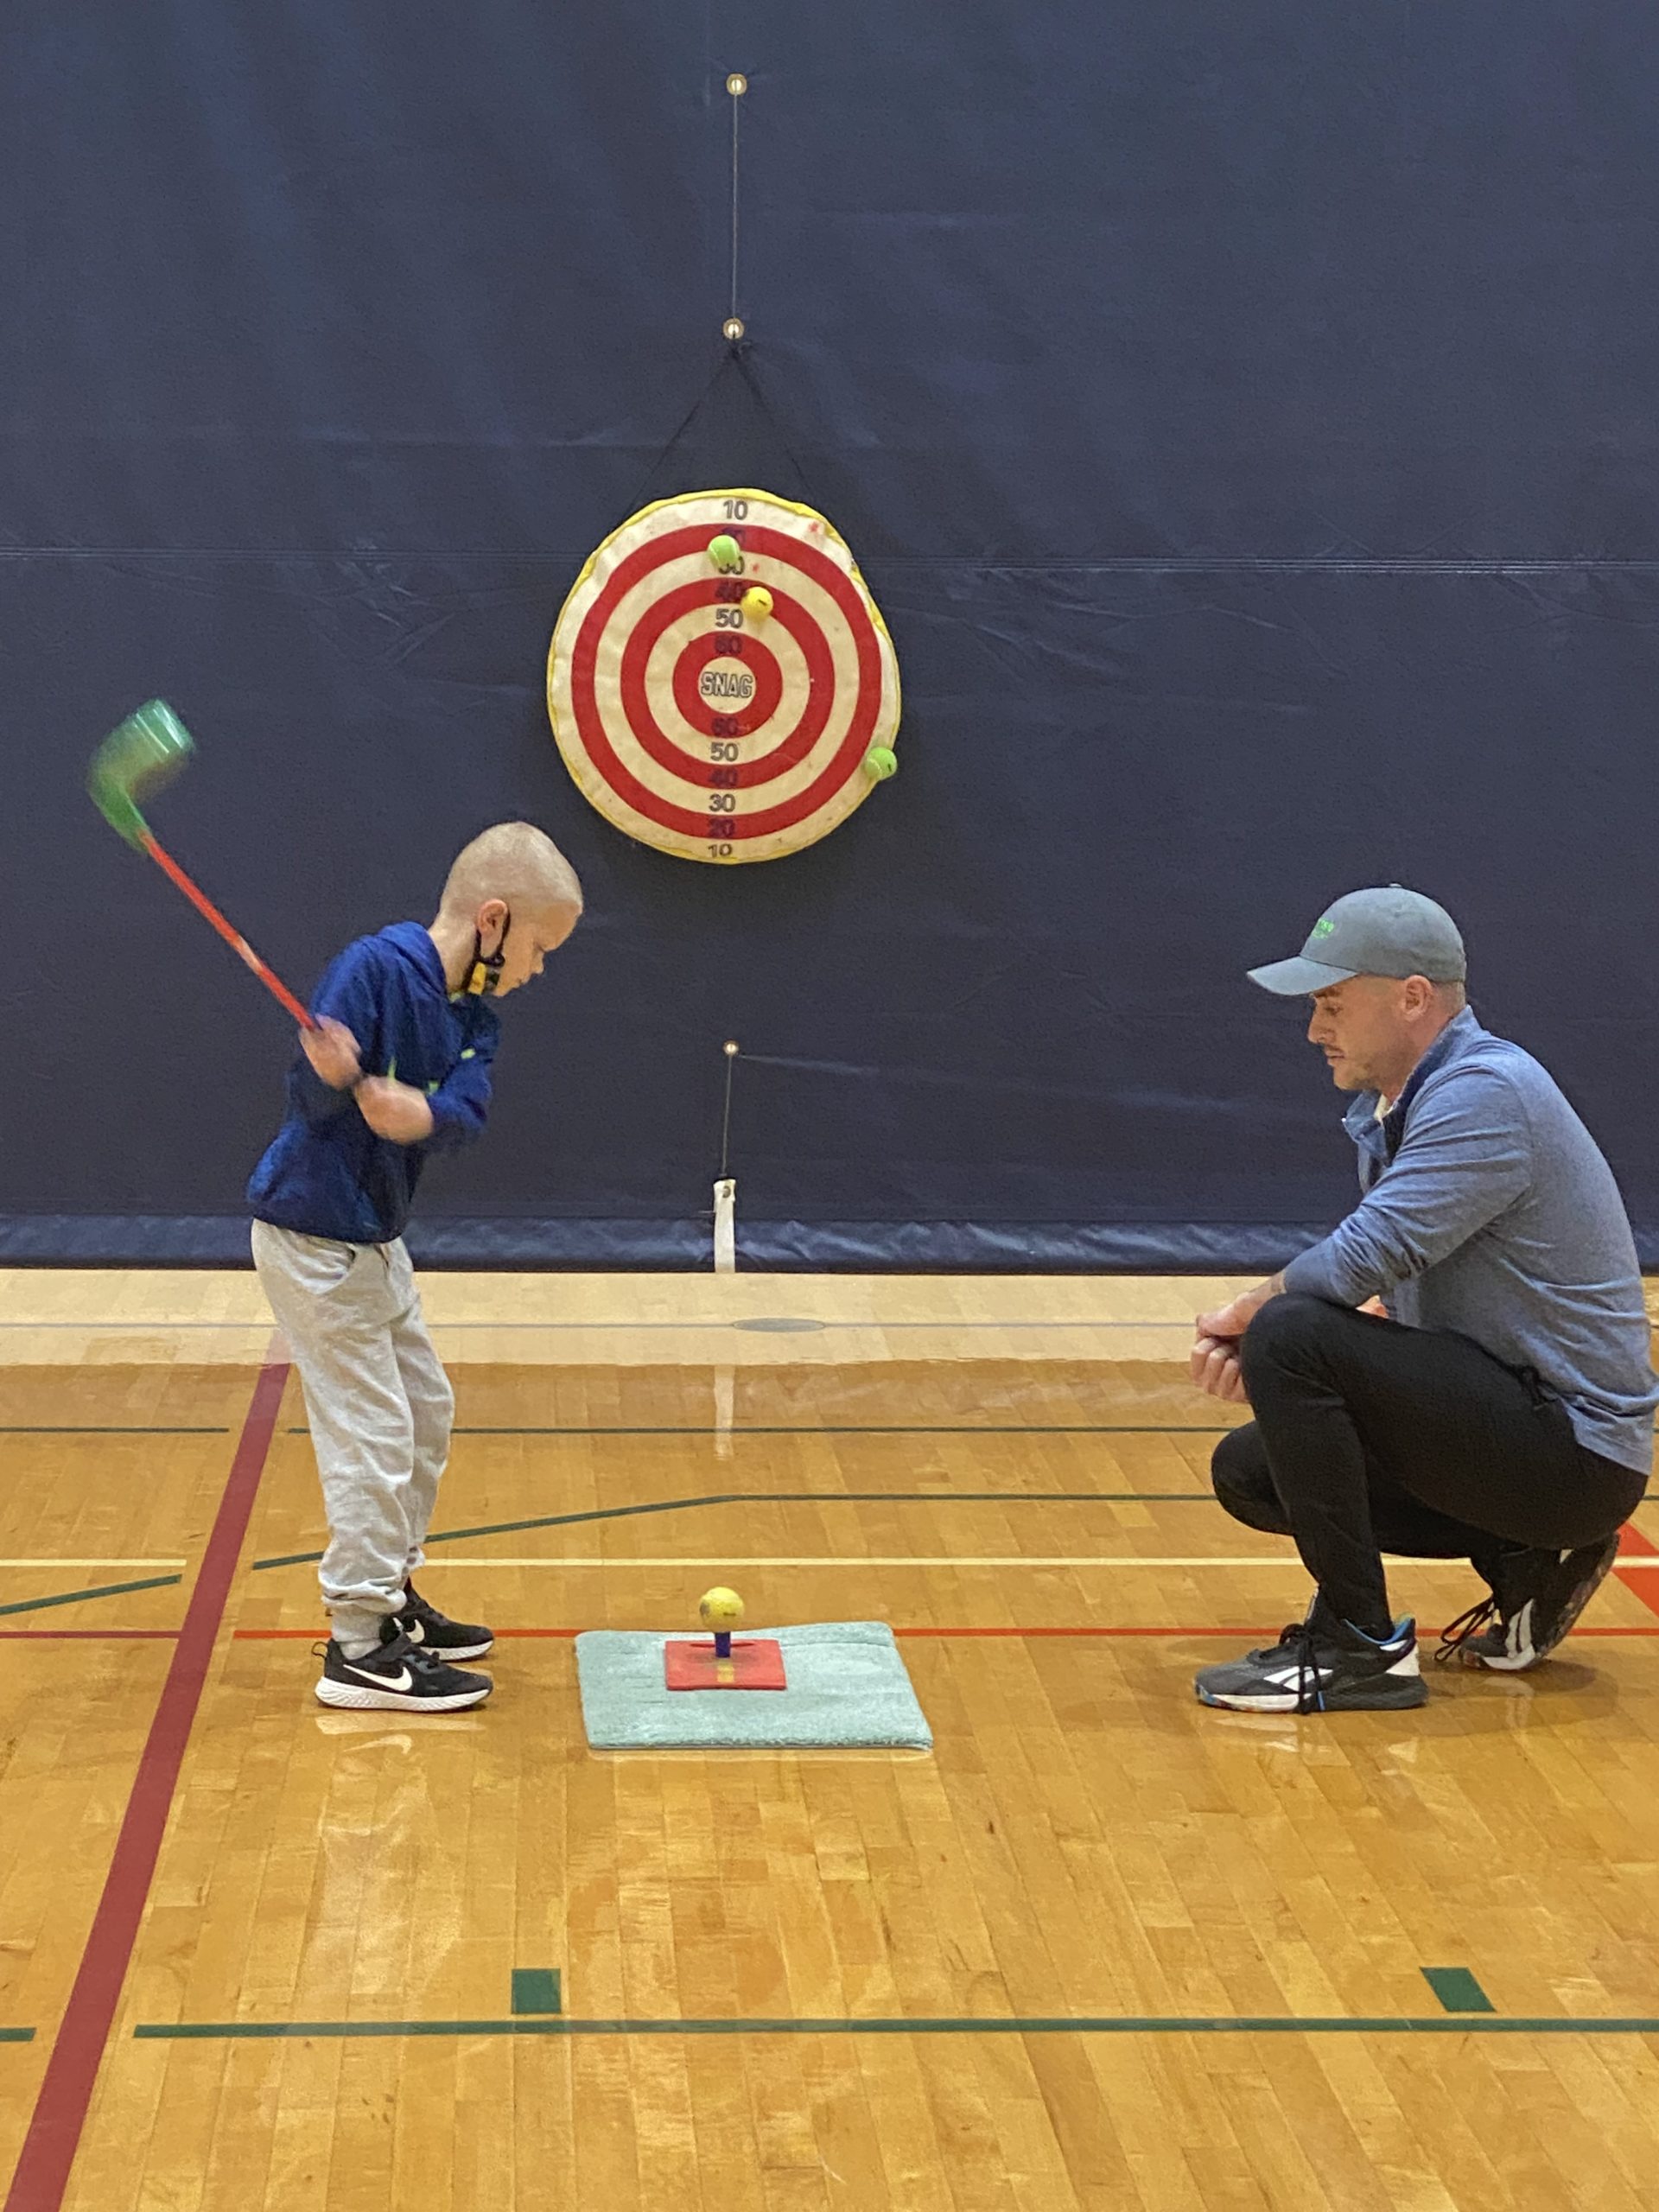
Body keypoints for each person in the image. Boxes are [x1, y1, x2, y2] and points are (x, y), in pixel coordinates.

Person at [1189, 887, 1656, 1714]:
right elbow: (1411, 1286)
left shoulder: (1485, 1092)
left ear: (1412, 998)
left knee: (1293, 1330)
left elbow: (1371, 1253)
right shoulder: (1408, 1101)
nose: (1314, 1028)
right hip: (1528, 1432)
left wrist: (1248, 1316)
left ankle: (1357, 1647)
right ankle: (1527, 1554)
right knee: (1252, 1473)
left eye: (1333, 1002)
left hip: (1574, 1449)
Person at [249, 822, 583, 1711]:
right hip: (314, 1241)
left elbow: (467, 1110)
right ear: (494, 918)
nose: (537, 970)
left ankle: (391, 1596)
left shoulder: (474, 1015)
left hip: (376, 1242)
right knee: (374, 1434)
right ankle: (357, 1643)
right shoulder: (371, 970)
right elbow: (309, 1098)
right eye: (538, 949)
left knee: (426, 1412)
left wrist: (422, 1113)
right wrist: (329, 1075)